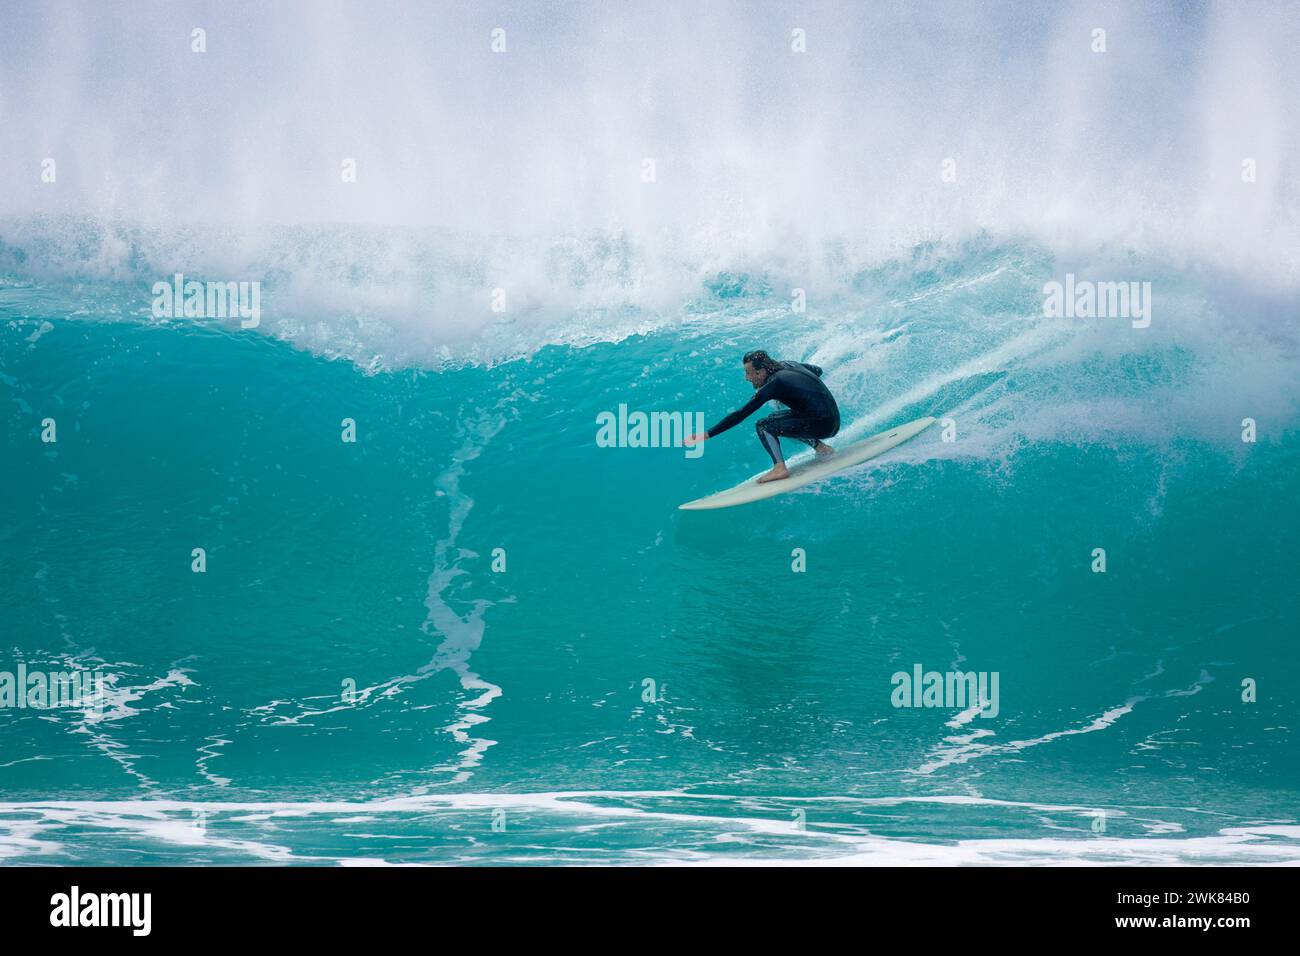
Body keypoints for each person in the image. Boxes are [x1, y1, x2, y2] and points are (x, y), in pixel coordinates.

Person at [685, 350, 840, 483]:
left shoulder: (773, 384)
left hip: (823, 425)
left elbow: (740, 414)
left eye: (749, 373)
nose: (747, 378)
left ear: (762, 371)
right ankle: (822, 448)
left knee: (764, 425)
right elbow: (817, 370)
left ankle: (780, 468)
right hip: (832, 418)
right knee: (778, 418)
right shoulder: (789, 364)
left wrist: (707, 434)